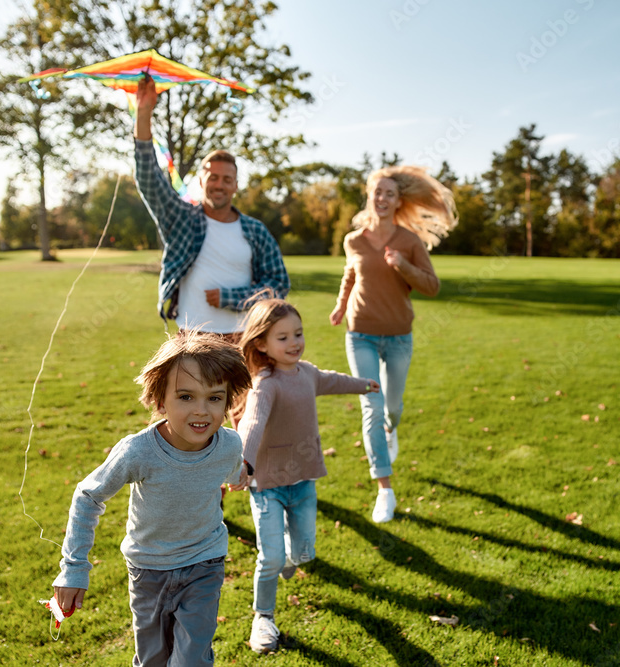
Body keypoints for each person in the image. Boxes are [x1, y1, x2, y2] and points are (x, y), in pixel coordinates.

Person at [51, 331, 252, 667]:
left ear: (229, 401)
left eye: (214, 398)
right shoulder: (138, 452)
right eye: (186, 397)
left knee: (191, 660)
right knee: (153, 659)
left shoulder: (230, 444)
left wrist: (240, 477)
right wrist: (74, 570)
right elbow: (88, 496)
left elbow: (233, 469)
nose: (202, 412)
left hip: (205, 563)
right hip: (149, 571)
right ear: (160, 401)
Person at [231, 299, 379, 653]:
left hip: (303, 481)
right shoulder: (265, 385)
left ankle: (288, 553)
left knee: (305, 553)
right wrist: (244, 464)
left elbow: (332, 380)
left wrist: (363, 384)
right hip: (267, 485)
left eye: (298, 333)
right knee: (270, 558)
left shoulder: (307, 373)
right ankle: (263, 618)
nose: (294, 342)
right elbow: (251, 424)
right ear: (262, 344)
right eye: (283, 337)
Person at [329, 165, 457, 524]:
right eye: (377, 192)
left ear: (398, 202)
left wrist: (403, 266)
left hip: (399, 337)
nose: (382, 198)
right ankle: (385, 489)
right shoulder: (353, 240)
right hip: (361, 335)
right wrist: (341, 305)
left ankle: (392, 426)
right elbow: (350, 274)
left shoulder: (408, 241)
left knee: (392, 408)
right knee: (371, 406)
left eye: (389, 193)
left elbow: (432, 285)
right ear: (369, 196)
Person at [134, 75, 289, 337]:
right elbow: (148, 177)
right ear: (201, 181)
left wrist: (233, 298)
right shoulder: (181, 219)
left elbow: (279, 283)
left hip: (244, 338)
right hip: (191, 338)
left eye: (226, 179)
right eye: (213, 178)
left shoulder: (255, 230)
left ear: (236, 185)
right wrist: (143, 113)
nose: (219, 185)